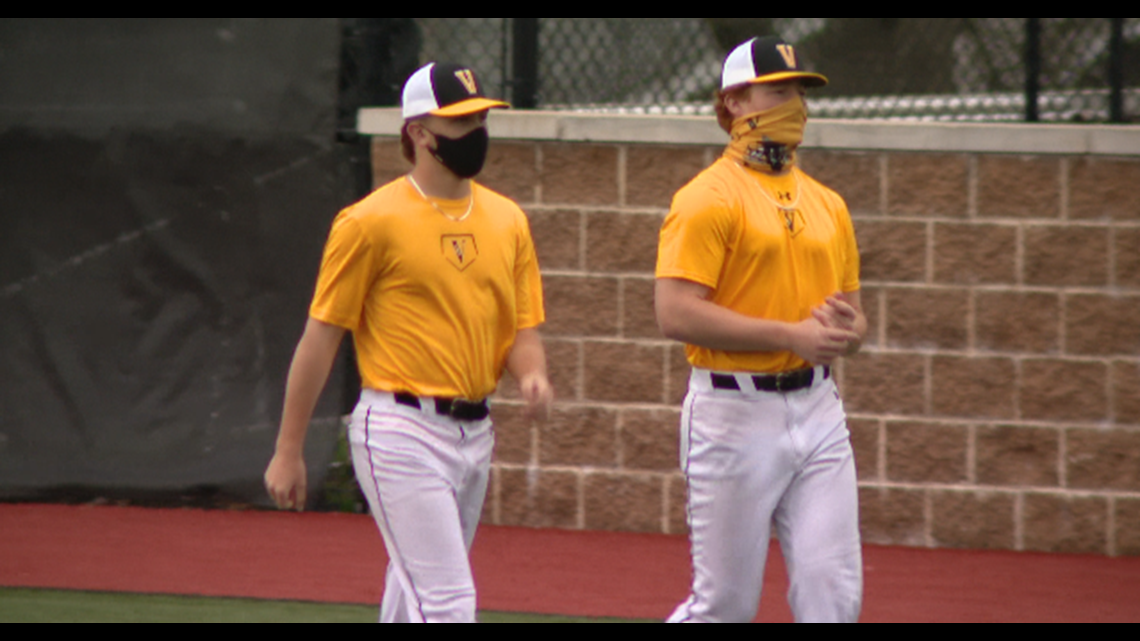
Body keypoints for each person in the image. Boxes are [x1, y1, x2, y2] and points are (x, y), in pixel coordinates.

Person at [264, 61, 553, 624]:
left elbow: (521, 328)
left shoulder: (508, 220)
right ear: (418, 133)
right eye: (459, 121)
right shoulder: (369, 222)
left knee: (412, 588)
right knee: (447, 602)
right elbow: (320, 339)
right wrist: (288, 449)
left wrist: (532, 374)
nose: (475, 132)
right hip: (400, 429)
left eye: (479, 118)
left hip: (476, 432)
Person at [655, 36, 866, 624]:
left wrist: (850, 332)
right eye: (778, 90)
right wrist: (788, 335)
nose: (794, 103)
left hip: (819, 407)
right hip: (732, 412)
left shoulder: (829, 203)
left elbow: (856, 318)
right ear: (735, 102)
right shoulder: (707, 197)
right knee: (725, 605)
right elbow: (674, 312)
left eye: (800, 90)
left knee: (834, 593)